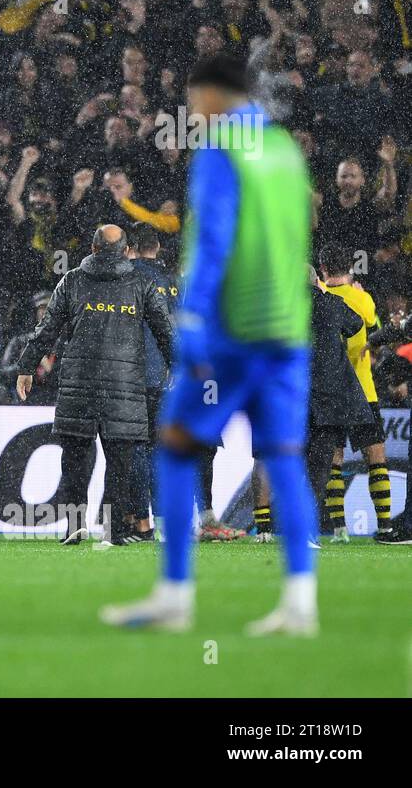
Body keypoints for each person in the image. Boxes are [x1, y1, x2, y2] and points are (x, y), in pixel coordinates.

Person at [102, 54, 317, 636]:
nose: (193, 113)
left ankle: (175, 594)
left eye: (196, 101)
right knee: (284, 457)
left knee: (173, 445)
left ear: (213, 96)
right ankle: (300, 603)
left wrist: (192, 323)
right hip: (288, 331)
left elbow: (213, 241)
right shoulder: (284, 152)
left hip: (232, 332)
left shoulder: (222, 152)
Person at [16, 225, 174, 547]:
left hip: (79, 385)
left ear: (93, 247)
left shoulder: (72, 280)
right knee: (120, 464)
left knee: (75, 460)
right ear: (127, 251)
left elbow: (47, 329)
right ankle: (113, 530)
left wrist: (26, 366)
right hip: (126, 388)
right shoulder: (142, 283)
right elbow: (165, 330)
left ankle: (75, 526)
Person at [317, 243, 392, 539]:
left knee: (333, 461)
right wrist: (357, 291)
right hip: (363, 390)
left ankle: (339, 529)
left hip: (331, 391)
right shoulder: (363, 300)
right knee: (376, 457)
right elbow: (372, 323)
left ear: (323, 268)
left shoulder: (320, 299)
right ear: (350, 267)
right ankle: (385, 525)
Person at [126, 222, 177, 538]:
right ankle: (162, 520)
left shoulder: (126, 278)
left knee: (133, 449)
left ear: (130, 249)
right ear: (156, 248)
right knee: (159, 450)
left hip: (128, 376)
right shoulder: (171, 283)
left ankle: (137, 519)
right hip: (164, 377)